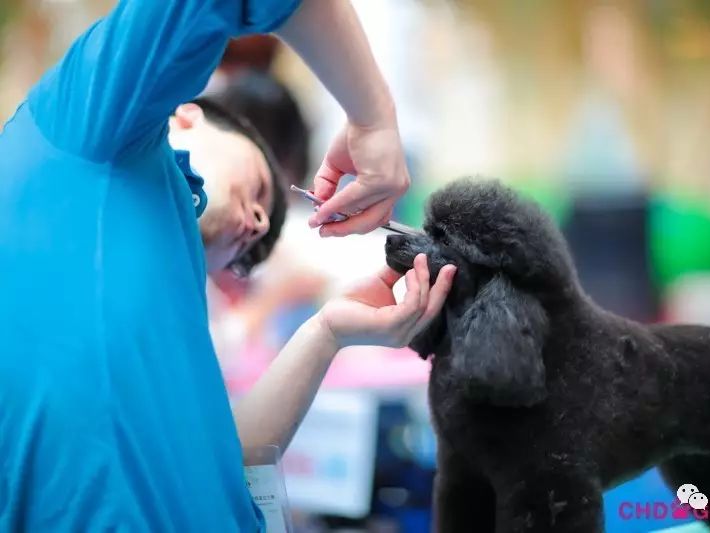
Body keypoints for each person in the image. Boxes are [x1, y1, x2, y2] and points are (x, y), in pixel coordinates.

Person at [0, 1, 456, 531]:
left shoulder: (165, 311)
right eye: (262, 187)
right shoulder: (85, 127)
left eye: (244, 259)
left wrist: (327, 332)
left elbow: (225, 455)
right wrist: (373, 119)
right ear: (186, 114)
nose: (259, 224)